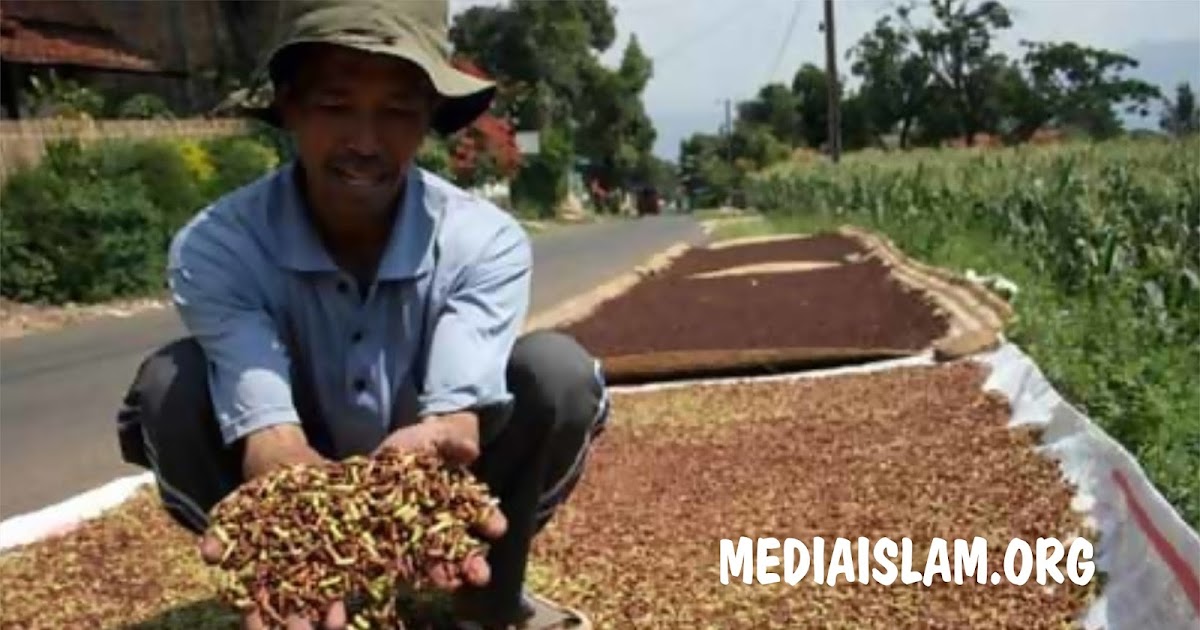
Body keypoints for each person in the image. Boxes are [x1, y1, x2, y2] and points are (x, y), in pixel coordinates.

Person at [113, 1, 609, 628]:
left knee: (559, 375)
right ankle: (289, 578)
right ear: (289, 105)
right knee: (167, 386)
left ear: (429, 115)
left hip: (429, 468)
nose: (365, 142)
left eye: (398, 111)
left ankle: (488, 601)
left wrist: (437, 444)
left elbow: (454, 409)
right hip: (294, 460)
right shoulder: (218, 245)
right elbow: (267, 422)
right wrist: (289, 485)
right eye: (334, 105)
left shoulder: (484, 240)